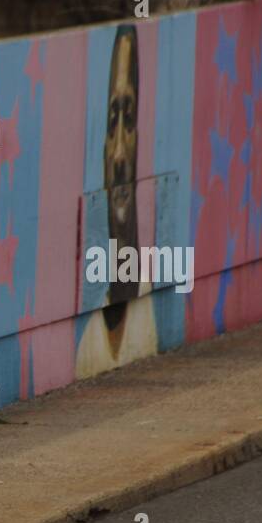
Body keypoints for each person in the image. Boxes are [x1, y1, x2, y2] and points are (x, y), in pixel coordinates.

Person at [76, 24, 158, 379]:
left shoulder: (150, 310)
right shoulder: (86, 340)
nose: (121, 154)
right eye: (112, 124)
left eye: (129, 119)